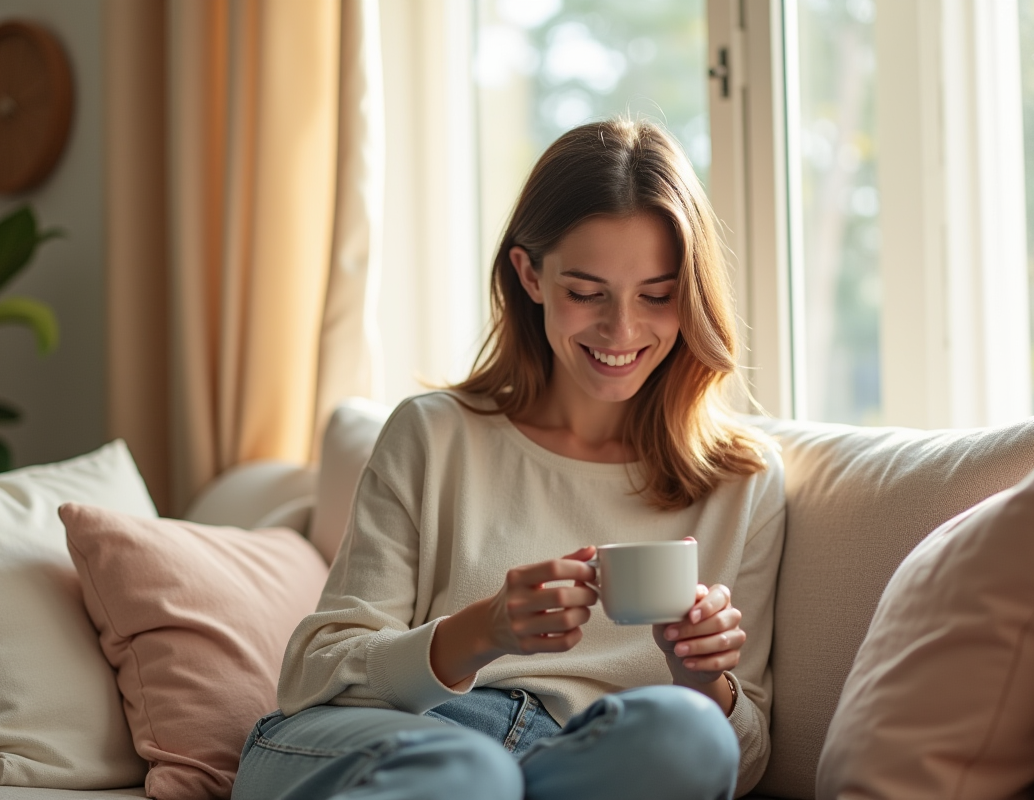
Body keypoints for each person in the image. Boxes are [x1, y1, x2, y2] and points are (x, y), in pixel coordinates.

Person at [232, 118, 786, 800]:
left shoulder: (744, 482)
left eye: (657, 295)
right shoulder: (435, 436)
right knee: (470, 772)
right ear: (529, 274)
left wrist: (704, 676)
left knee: (690, 734)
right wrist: (482, 630)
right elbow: (314, 673)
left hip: (578, 761)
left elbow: (744, 754)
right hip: (397, 739)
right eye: (586, 293)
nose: (622, 330)